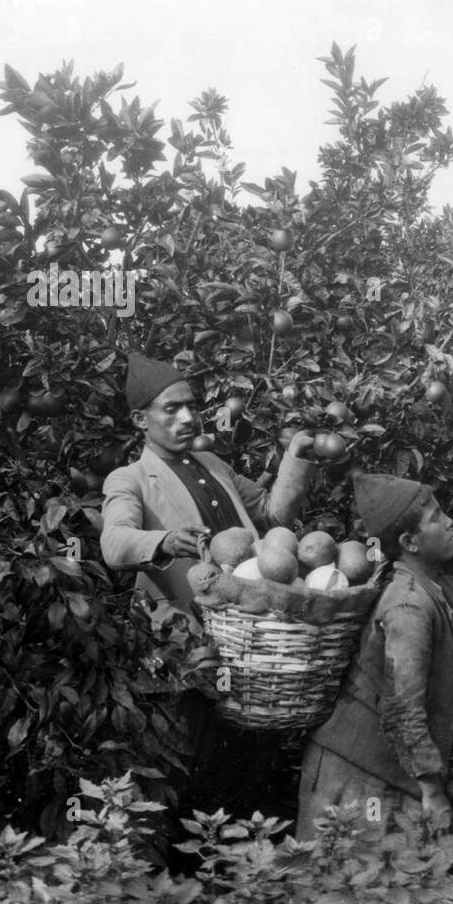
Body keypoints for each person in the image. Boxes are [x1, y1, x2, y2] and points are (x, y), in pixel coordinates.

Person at [100, 353, 320, 834]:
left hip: (248, 632)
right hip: (190, 645)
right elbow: (114, 542)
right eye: (171, 409)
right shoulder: (130, 479)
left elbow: (272, 516)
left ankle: (241, 872)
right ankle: (188, 878)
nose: (187, 417)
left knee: (250, 754)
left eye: (192, 407)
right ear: (141, 420)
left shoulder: (212, 463)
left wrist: (293, 462)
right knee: (194, 759)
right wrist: (161, 541)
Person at [297, 473, 453, 839]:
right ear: (409, 541)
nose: (449, 524)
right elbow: (401, 709)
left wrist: (436, 531)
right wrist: (432, 790)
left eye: (444, 514)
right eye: (436, 519)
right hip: (357, 778)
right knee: (345, 886)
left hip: (387, 771)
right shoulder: (408, 607)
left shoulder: (431, 574)